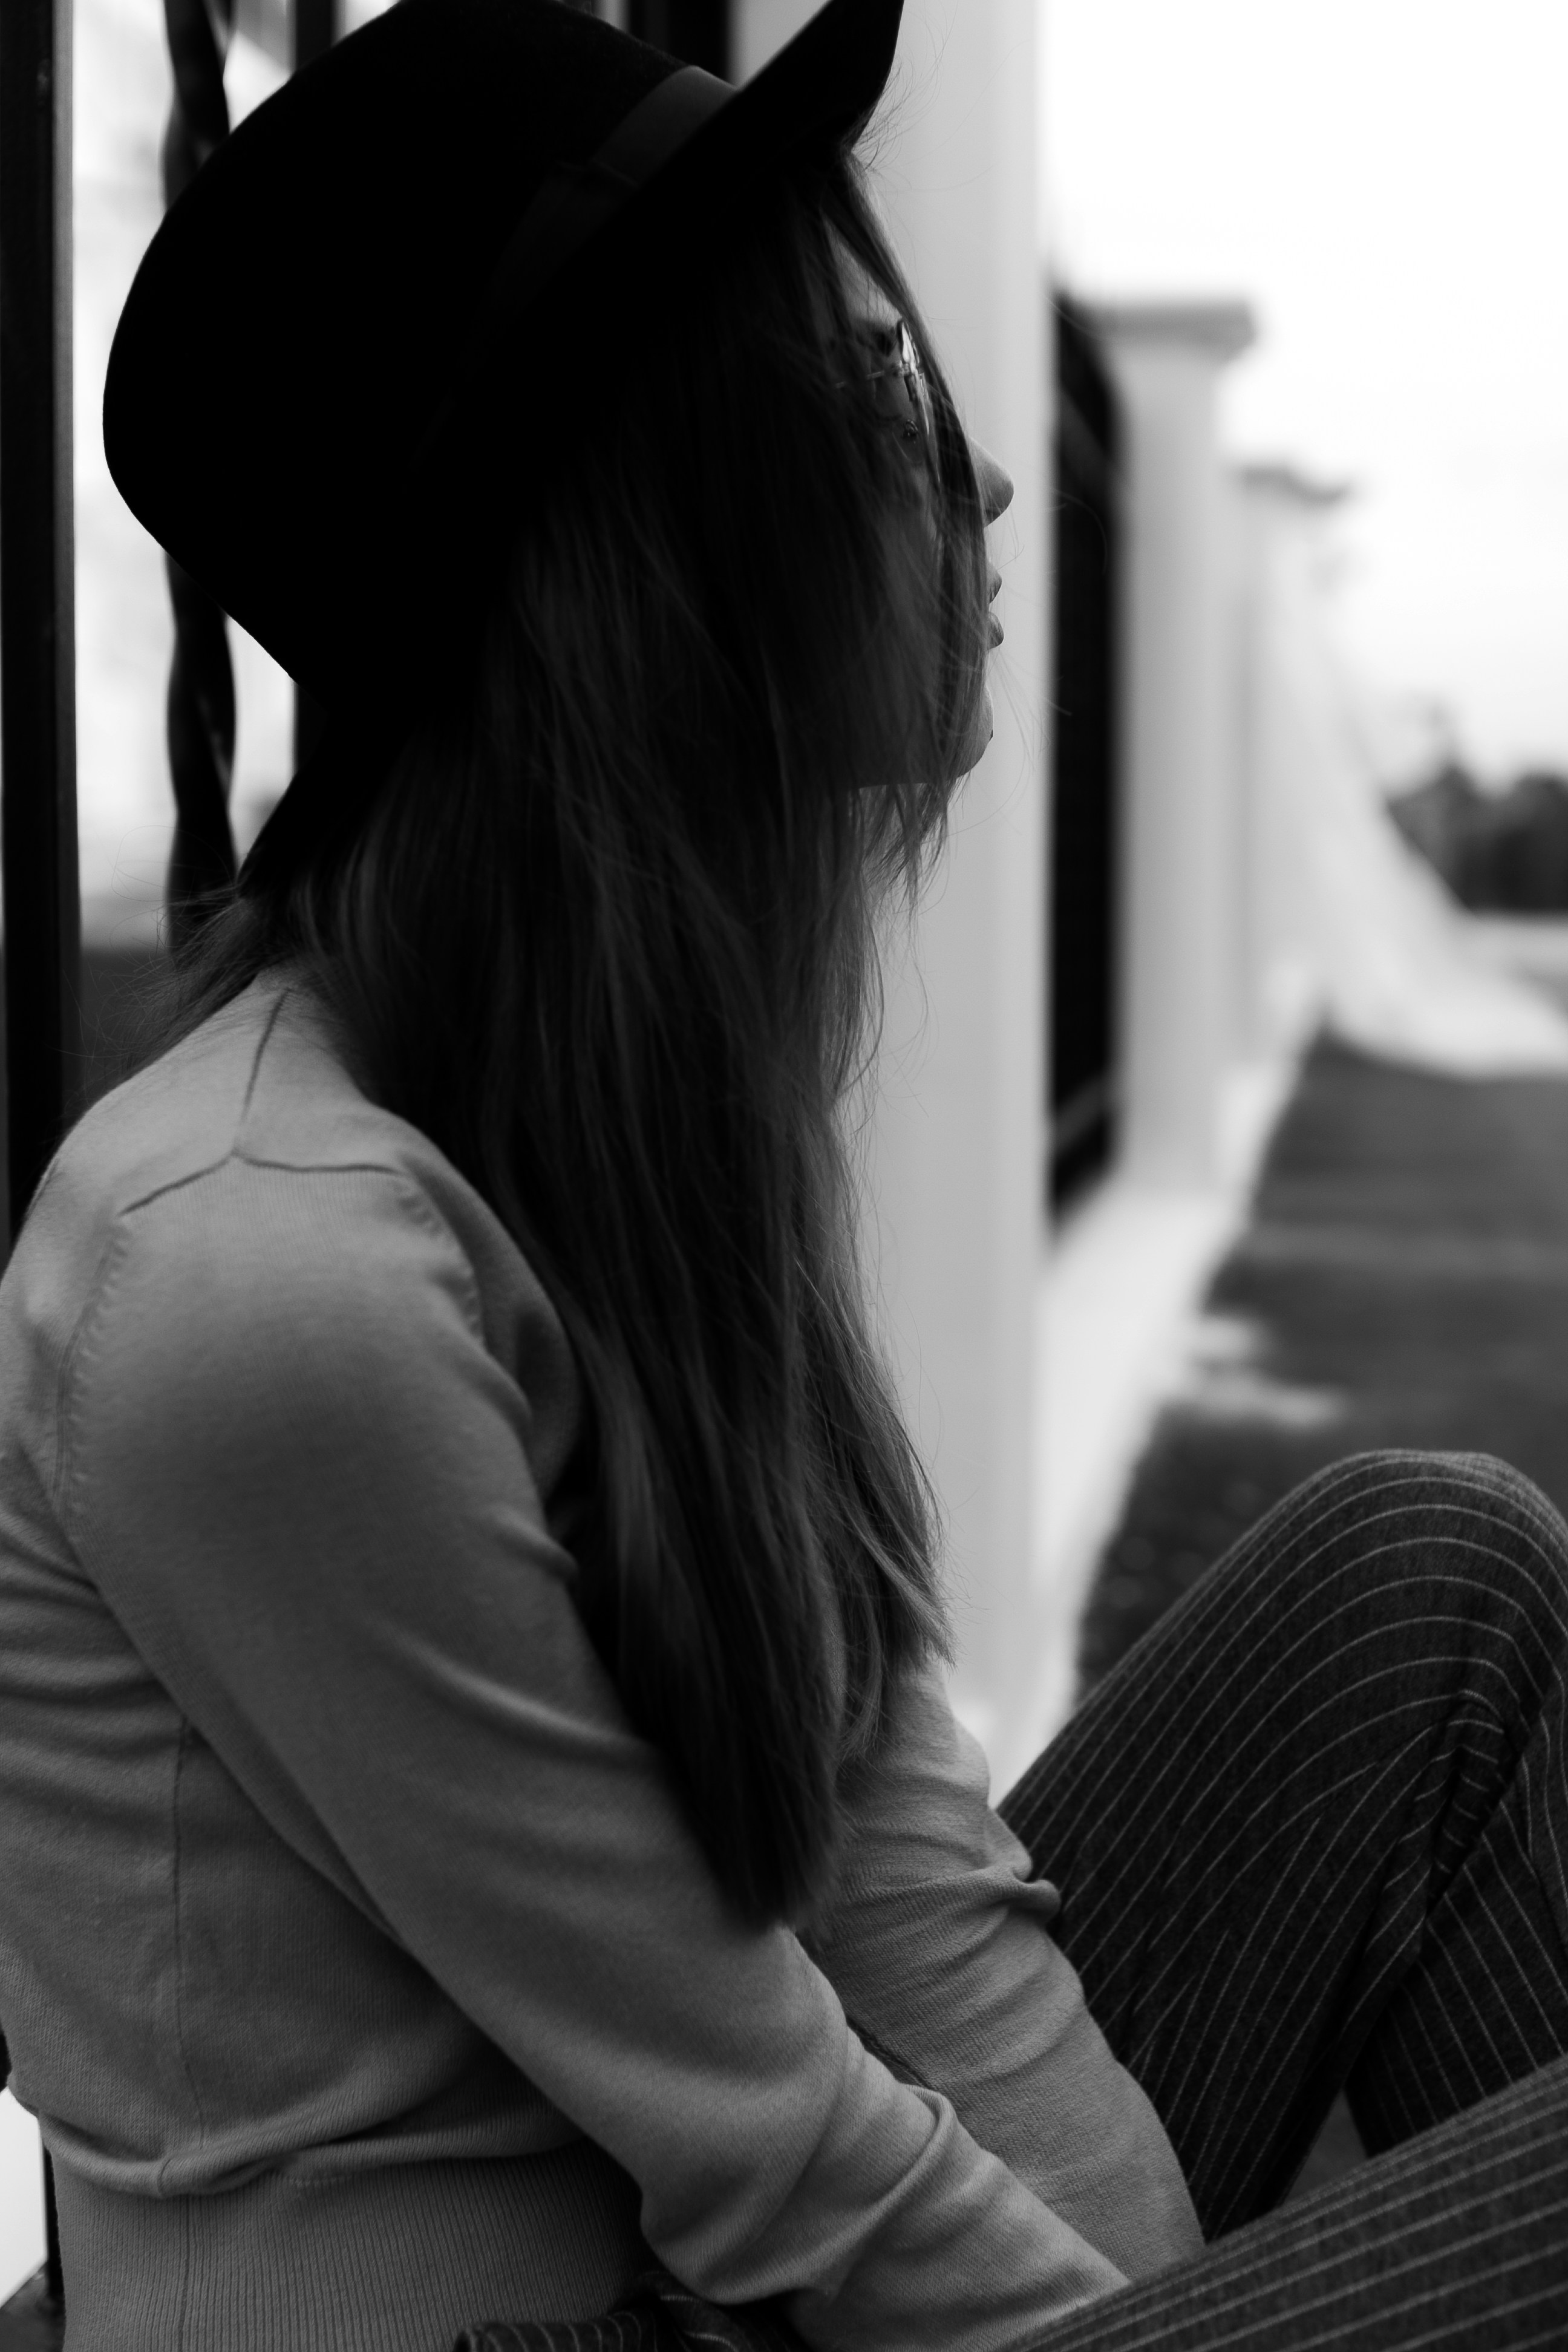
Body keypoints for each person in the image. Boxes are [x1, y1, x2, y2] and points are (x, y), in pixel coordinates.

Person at [0, 3, 1566, 2348]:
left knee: (1428, 1580)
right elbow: (773, 2152)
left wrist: (1196, 2306)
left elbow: (898, 1895)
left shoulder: (588, 1123)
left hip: (714, 2291)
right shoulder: (252, 1276)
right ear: (648, 520)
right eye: (878, 397)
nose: (988, 484)